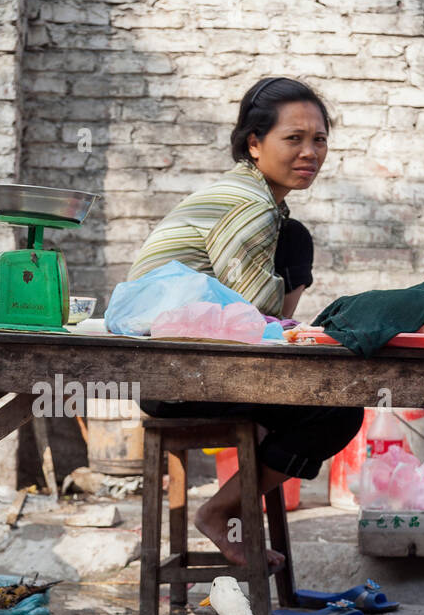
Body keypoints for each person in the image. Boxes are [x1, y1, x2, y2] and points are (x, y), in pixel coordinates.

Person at [129, 77, 364, 570]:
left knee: (296, 239)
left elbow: (269, 322)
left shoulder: (271, 212)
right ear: (254, 144)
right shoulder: (251, 207)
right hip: (176, 374)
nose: (310, 152)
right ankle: (219, 512)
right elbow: (253, 324)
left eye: (319, 139)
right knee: (336, 410)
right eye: (293, 138)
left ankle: (234, 497)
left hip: (190, 364)